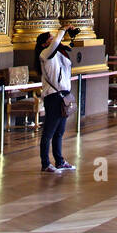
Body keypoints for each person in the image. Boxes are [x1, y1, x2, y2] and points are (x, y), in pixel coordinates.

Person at [39, 24, 79, 174]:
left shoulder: (59, 54)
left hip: (63, 95)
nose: (54, 40)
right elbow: (54, 44)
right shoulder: (45, 54)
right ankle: (45, 163)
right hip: (53, 97)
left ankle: (60, 161)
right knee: (48, 132)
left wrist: (67, 43)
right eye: (50, 38)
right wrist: (63, 29)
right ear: (44, 44)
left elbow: (67, 66)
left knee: (60, 132)